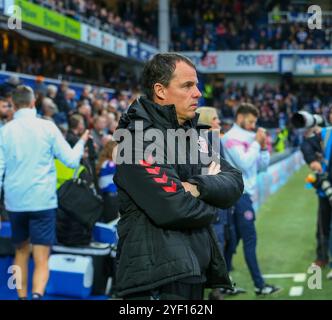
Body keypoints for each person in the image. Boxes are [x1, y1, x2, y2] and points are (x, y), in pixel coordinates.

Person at [113, 53, 244, 300]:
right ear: (160, 90)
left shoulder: (192, 135)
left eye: (196, 85)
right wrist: (213, 205)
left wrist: (195, 187)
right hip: (156, 280)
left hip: (193, 270)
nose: (198, 93)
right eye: (187, 86)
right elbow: (174, 207)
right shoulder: (135, 141)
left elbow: (235, 182)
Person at [0, 85, 89, 300]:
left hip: (15, 202)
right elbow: (69, 160)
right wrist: (82, 141)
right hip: (42, 202)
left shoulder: (5, 131)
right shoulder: (47, 128)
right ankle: (37, 296)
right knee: (41, 257)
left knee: (20, 252)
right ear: (33, 103)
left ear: (14, 104)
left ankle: (21, 297)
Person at [222, 103, 281, 295]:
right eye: (250, 121)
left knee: (234, 241)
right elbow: (244, 162)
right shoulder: (230, 138)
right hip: (238, 195)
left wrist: (263, 147)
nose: (253, 125)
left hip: (245, 195)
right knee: (249, 239)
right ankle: (259, 285)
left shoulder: (251, 137)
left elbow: (262, 166)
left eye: (255, 122)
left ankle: (223, 284)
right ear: (240, 118)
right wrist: (257, 142)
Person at [300, 125, 332, 275]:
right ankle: (322, 257)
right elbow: (306, 144)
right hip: (326, 189)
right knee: (323, 227)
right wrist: (313, 160)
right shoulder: (325, 133)